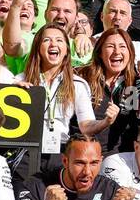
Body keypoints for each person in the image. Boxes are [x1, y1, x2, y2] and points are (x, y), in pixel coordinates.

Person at [23, 24, 102, 171]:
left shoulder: (77, 84)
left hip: (59, 151)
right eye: (47, 40)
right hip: (27, 151)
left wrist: (105, 121)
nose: (53, 44)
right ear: (38, 48)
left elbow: (86, 126)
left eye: (59, 40)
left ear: (66, 50)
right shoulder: (20, 81)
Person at [77, 27, 140, 153]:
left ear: (130, 52)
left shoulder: (133, 83)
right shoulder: (82, 76)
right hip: (82, 151)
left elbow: (131, 126)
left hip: (116, 157)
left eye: (122, 47)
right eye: (110, 46)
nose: (117, 52)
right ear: (100, 52)